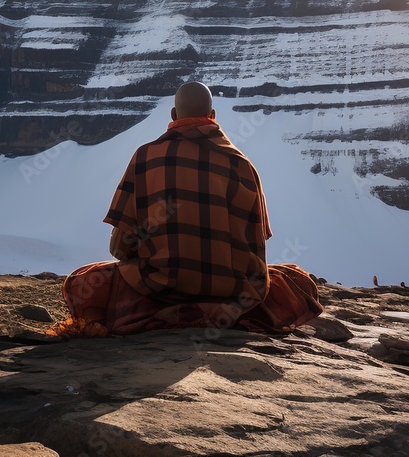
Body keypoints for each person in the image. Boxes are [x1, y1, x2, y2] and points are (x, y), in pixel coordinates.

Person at [50, 81, 322, 336]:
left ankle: (163, 312)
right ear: (213, 114)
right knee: (297, 281)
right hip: (233, 294)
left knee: (83, 282)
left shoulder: (146, 157)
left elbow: (119, 249)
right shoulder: (243, 165)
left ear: (172, 114)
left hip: (159, 288)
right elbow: (257, 245)